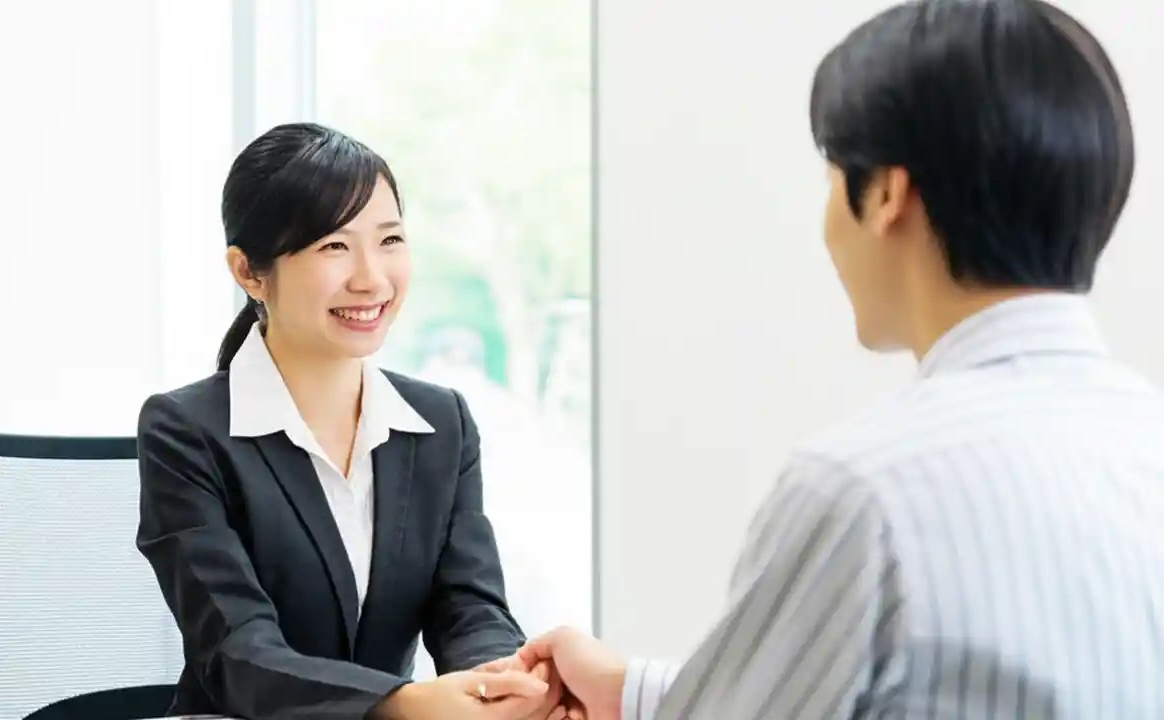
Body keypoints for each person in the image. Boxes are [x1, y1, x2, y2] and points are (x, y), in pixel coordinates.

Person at [491, 0, 1164, 717]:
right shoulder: (1142, 441)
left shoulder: (865, 490)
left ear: (884, 194)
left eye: (831, 177)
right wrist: (634, 692)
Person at [135, 123, 566, 720]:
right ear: (249, 272)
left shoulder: (441, 424)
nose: (371, 277)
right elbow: (239, 654)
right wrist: (404, 703)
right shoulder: (185, 431)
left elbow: (470, 609)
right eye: (333, 246)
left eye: (389, 240)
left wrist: (501, 684)